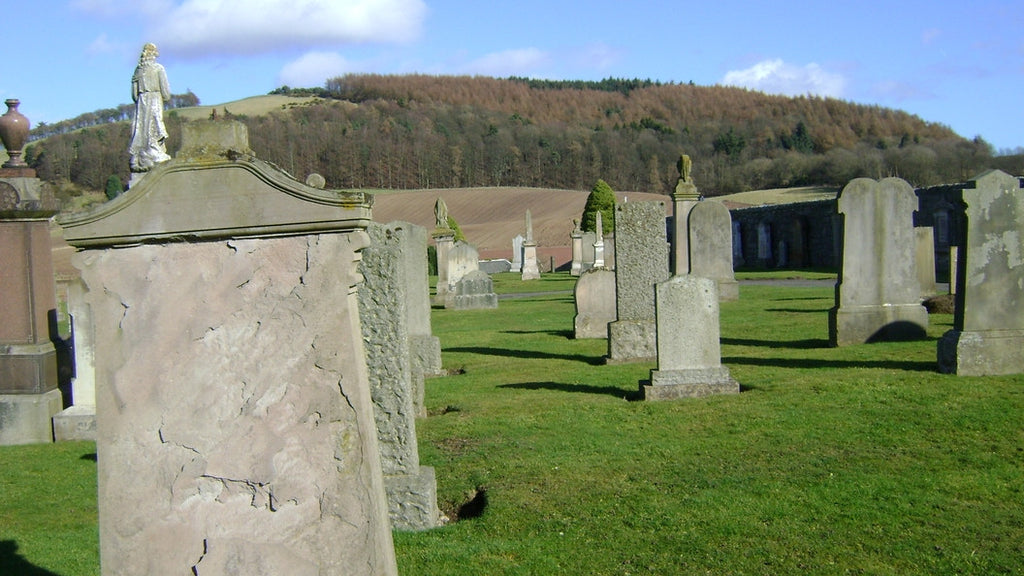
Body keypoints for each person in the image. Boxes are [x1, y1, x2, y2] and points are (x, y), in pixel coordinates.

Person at [128, 43, 171, 172]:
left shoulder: (138, 70)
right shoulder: (158, 68)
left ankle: (139, 154)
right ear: (154, 54)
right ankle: (153, 150)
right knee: (154, 125)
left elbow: (134, 95)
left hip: (141, 101)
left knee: (140, 128)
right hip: (154, 100)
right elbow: (166, 94)